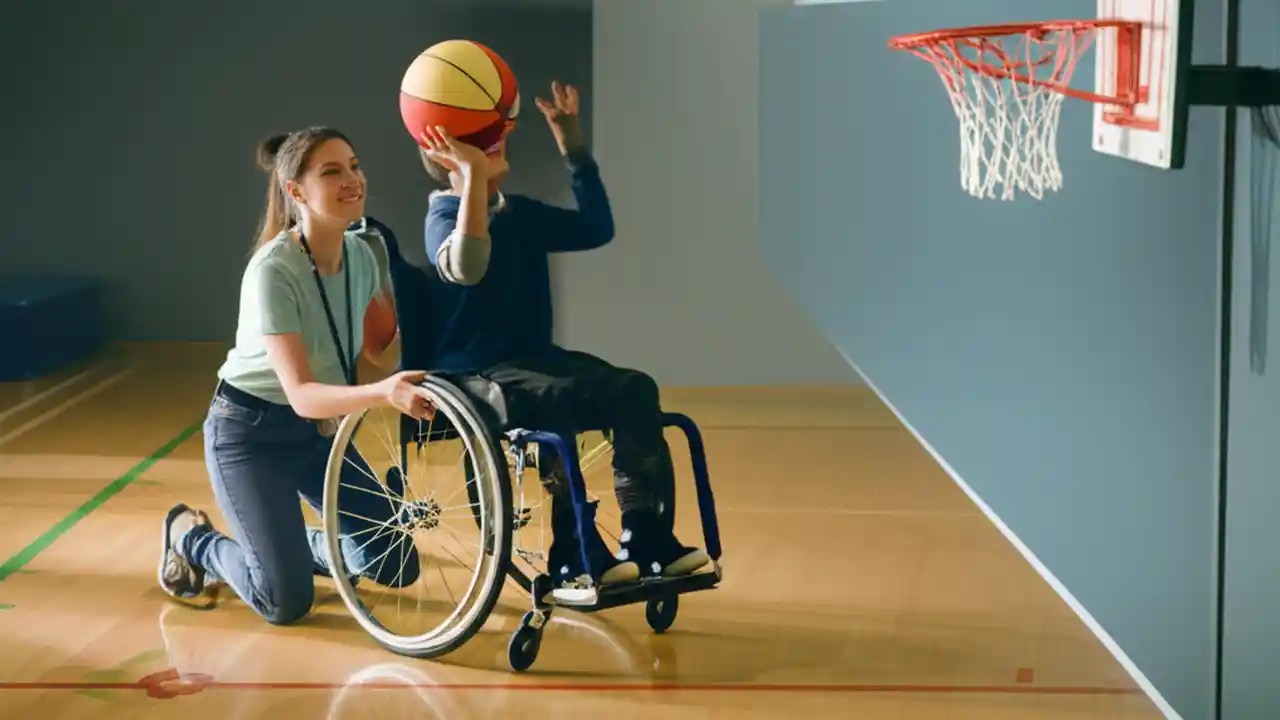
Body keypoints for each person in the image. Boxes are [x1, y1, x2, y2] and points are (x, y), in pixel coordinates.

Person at [408, 80, 710, 595]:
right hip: (471, 371)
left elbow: (597, 228)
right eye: (483, 147)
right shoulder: (442, 219)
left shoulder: (518, 213)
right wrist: (472, 177)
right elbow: (468, 266)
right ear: (455, 158)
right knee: (552, 400)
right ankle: (573, 549)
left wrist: (573, 147)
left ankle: (644, 533)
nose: (499, 148)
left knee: (634, 386)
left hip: (534, 358)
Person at [158, 127, 435, 625]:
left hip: (315, 434)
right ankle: (192, 539)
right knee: (285, 603)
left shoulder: (364, 254)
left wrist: (395, 358)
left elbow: (372, 359)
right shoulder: (273, 269)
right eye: (332, 171)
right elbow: (304, 395)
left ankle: (284, 547)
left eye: (355, 165)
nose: (353, 179)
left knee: (395, 563)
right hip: (249, 435)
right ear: (296, 191)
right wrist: (382, 393)